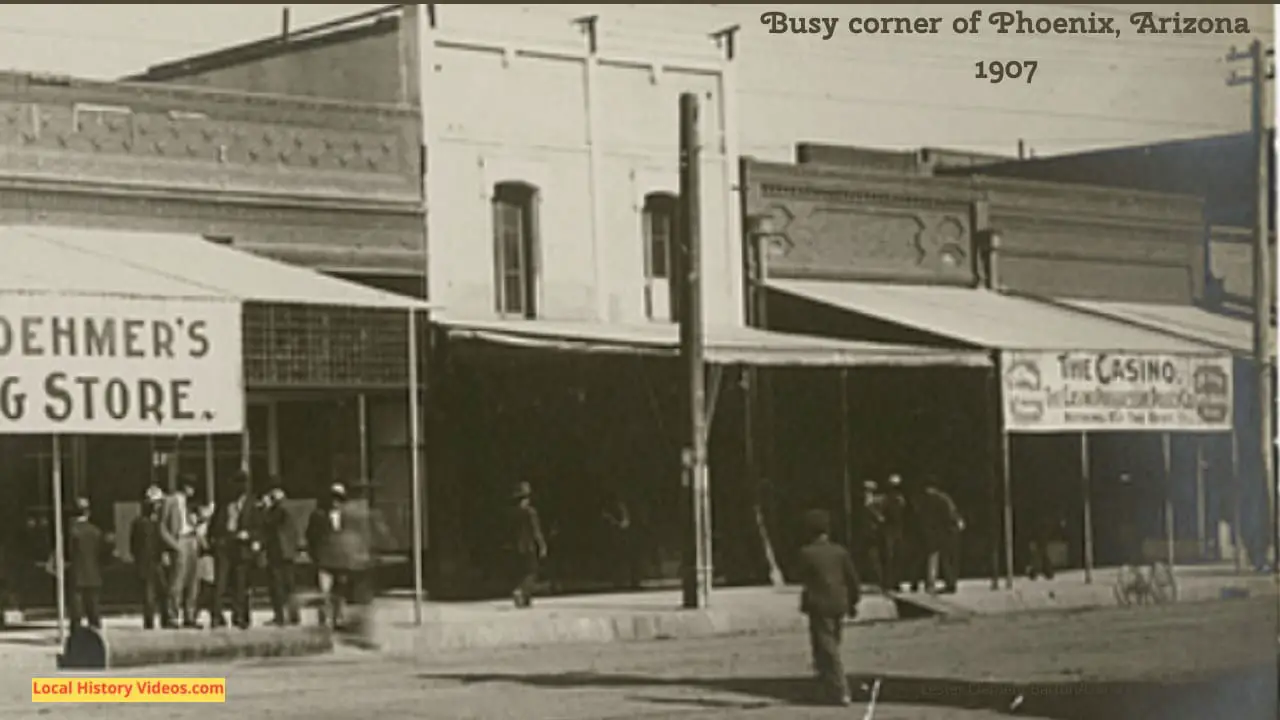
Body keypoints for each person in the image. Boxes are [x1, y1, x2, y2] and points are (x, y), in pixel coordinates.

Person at [795, 509, 861, 707]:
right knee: (830, 644)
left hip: (819, 605)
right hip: (839, 603)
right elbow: (852, 579)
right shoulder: (840, 552)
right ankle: (825, 687)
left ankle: (840, 689)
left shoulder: (806, 553)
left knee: (826, 647)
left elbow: (801, 576)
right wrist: (853, 602)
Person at [209, 471, 259, 629]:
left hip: (242, 547)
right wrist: (217, 540)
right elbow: (214, 526)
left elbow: (259, 527)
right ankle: (216, 616)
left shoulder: (251, 504)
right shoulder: (224, 503)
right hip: (225, 545)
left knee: (240, 583)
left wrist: (250, 535)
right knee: (221, 582)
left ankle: (239, 615)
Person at [159, 478, 201, 628]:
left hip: (192, 539)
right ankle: (173, 615)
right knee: (177, 580)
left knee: (193, 580)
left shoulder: (190, 504)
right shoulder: (170, 501)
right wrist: (173, 545)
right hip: (180, 540)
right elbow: (162, 527)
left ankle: (190, 615)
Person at [306, 483, 350, 629]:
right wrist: (315, 556)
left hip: (342, 560)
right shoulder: (318, 516)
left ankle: (338, 618)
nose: (335, 502)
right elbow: (311, 537)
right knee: (324, 592)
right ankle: (324, 620)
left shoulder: (348, 518)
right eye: (333, 498)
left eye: (339, 499)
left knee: (340, 592)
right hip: (324, 561)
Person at [910, 482, 965, 595]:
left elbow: (924, 516)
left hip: (941, 532)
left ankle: (935, 582)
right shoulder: (942, 499)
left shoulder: (931, 500)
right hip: (944, 532)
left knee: (937, 557)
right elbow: (952, 514)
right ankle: (945, 582)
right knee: (944, 558)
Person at [129, 486, 169, 629]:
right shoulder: (145, 522)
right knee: (150, 593)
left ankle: (162, 618)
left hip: (152, 560)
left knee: (161, 591)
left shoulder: (146, 522)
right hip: (149, 561)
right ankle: (151, 620)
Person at [261, 484, 301, 626]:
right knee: (290, 585)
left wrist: (266, 508)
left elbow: (268, 523)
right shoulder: (290, 510)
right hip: (288, 552)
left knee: (277, 585)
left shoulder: (278, 511)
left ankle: (280, 616)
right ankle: (293, 615)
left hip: (278, 552)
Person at [67, 498, 109, 632]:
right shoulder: (96, 531)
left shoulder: (72, 532)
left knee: (76, 610)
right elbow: (103, 553)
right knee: (93, 608)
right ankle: (96, 633)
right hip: (93, 573)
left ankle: (76, 635)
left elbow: (68, 553)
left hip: (76, 573)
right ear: (88, 513)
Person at [509, 482, 547, 608]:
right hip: (529, 545)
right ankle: (521, 591)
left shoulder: (514, 513)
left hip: (517, 545)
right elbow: (536, 530)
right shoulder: (531, 512)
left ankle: (526, 599)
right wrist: (542, 545)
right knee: (532, 572)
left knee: (522, 571)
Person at [601, 490, 639, 590]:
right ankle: (622, 580)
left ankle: (629, 580)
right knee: (620, 560)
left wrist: (613, 521)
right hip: (620, 538)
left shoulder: (621, 509)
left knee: (625, 559)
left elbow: (624, 524)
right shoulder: (618, 509)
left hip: (623, 538)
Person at [878, 474, 908, 592]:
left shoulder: (900, 499)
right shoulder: (886, 499)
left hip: (897, 530)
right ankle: (889, 582)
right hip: (890, 530)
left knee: (896, 557)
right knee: (889, 557)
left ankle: (894, 581)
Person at [192, 501, 217, 627]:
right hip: (204, 558)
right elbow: (204, 544)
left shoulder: (202, 526)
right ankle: (199, 612)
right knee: (206, 586)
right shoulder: (201, 527)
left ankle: (213, 612)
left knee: (208, 587)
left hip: (206, 559)